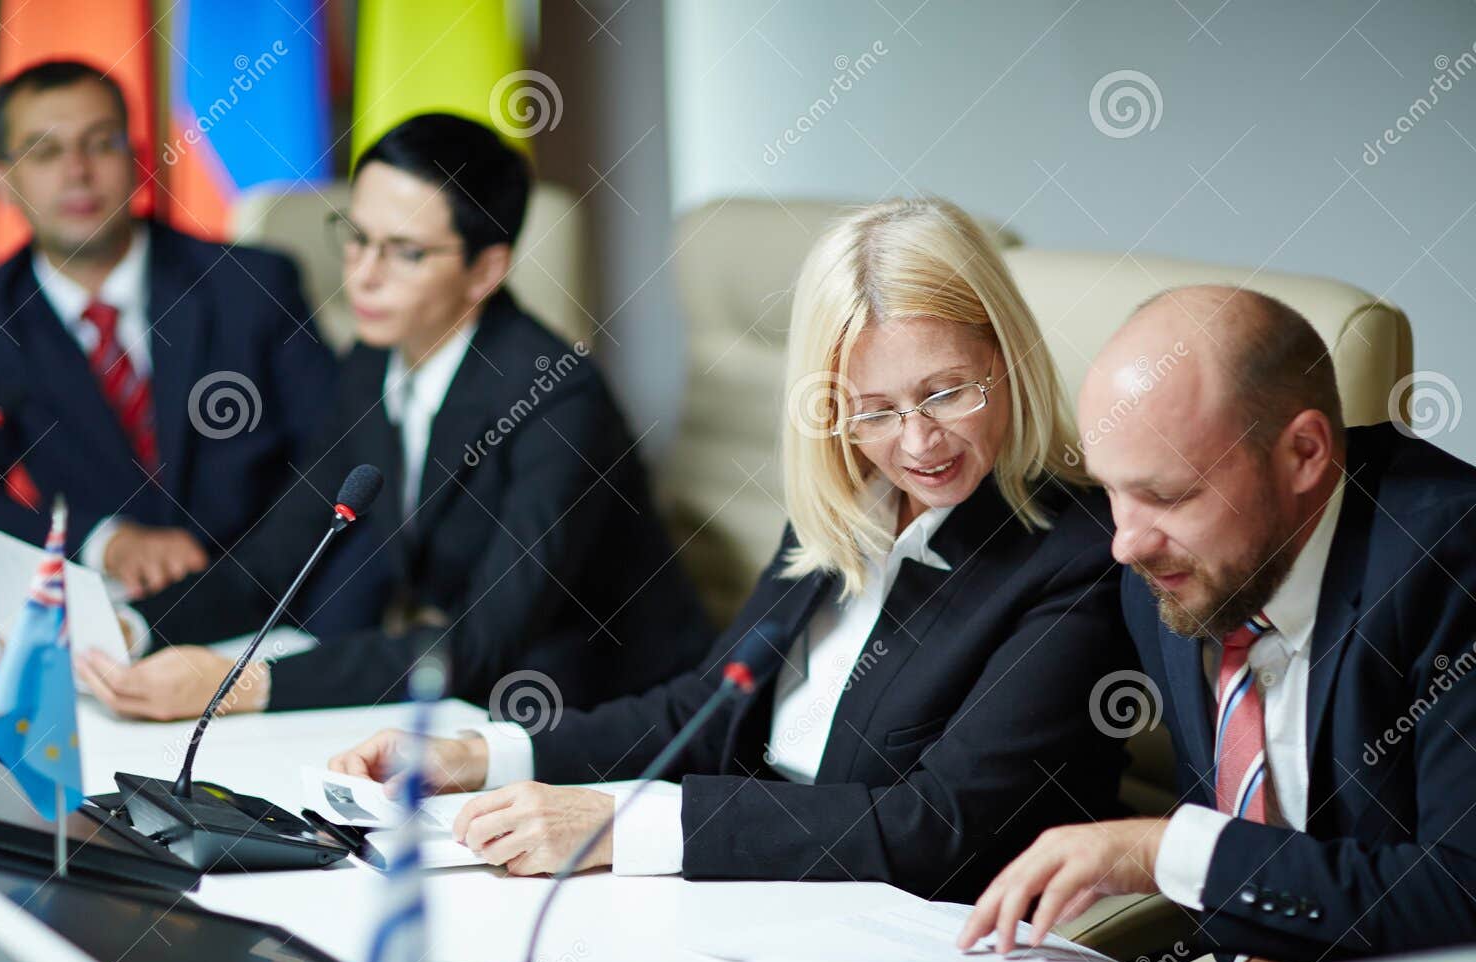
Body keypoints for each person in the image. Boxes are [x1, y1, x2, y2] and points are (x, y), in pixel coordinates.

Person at [328, 198, 1134, 898]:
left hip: (917, 934)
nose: (919, 442)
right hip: (752, 892)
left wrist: (629, 825)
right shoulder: (852, 498)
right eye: (876, 408)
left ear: (1009, 359)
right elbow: (704, 713)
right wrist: (480, 754)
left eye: (948, 391)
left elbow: (940, 827)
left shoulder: (1076, 555)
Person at [78, 113, 713, 717]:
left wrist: (243, 683)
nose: (362, 277)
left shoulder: (558, 398)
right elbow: (273, 562)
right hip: (467, 705)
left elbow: (480, 641)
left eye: (405, 253)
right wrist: (124, 630)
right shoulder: (370, 362)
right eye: (357, 239)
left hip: (596, 720)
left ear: (485, 269)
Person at [958, 285, 1476, 962]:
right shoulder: (1170, 571)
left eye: (1167, 495)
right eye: (1112, 490)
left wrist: (1163, 851)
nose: (1125, 544)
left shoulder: (1454, 565)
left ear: (1304, 453)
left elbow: (1458, 897)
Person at [0, 59, 334, 600]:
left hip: (276, 597)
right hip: (107, 607)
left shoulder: (251, 284)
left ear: (137, 159)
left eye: (100, 143)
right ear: (3, 183)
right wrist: (103, 542)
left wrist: (245, 586)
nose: (77, 172)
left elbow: (336, 455)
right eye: (45, 152)